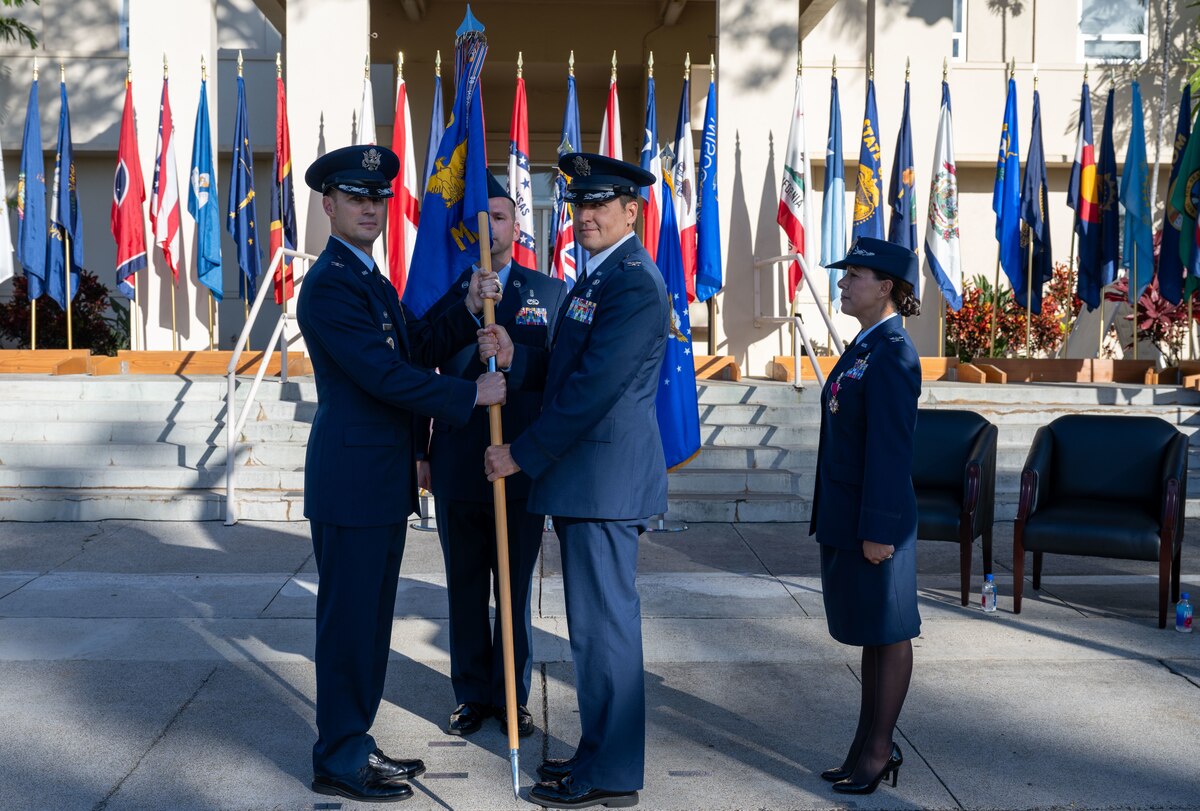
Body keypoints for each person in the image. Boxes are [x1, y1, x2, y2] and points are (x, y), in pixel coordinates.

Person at [296, 144, 506, 804]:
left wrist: (467, 302)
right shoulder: (330, 284)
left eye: (377, 198)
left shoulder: (369, 278)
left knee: (368, 623)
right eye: (355, 197)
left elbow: (413, 344)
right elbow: (383, 374)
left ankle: (354, 737)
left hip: (378, 481)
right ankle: (338, 754)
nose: (369, 207)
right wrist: (468, 397)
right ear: (328, 205)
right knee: (349, 625)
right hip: (353, 480)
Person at [479, 152, 668, 810]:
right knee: (591, 630)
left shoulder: (634, 283)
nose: (585, 214)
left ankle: (615, 773)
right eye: (579, 203)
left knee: (607, 628)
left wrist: (521, 454)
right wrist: (517, 355)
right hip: (588, 479)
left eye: (600, 203)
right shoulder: (597, 278)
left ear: (630, 211)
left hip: (605, 480)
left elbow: (591, 390)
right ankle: (597, 750)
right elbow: (566, 365)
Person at [416, 172, 567, 738]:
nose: (492, 228)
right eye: (482, 220)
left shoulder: (548, 294)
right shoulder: (443, 291)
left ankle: (512, 696)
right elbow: (416, 361)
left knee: (514, 589)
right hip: (458, 461)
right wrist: (418, 451)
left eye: (500, 217)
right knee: (464, 587)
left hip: (520, 464)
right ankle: (471, 695)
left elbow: (560, 380)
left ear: (516, 224)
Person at [809, 236, 923, 796]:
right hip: (850, 515)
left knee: (889, 632)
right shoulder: (866, 347)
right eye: (844, 273)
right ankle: (865, 745)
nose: (843, 282)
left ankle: (879, 750)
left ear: (886, 288)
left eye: (854, 274)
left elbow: (891, 450)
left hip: (879, 522)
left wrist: (879, 531)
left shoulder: (895, 353)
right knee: (872, 636)